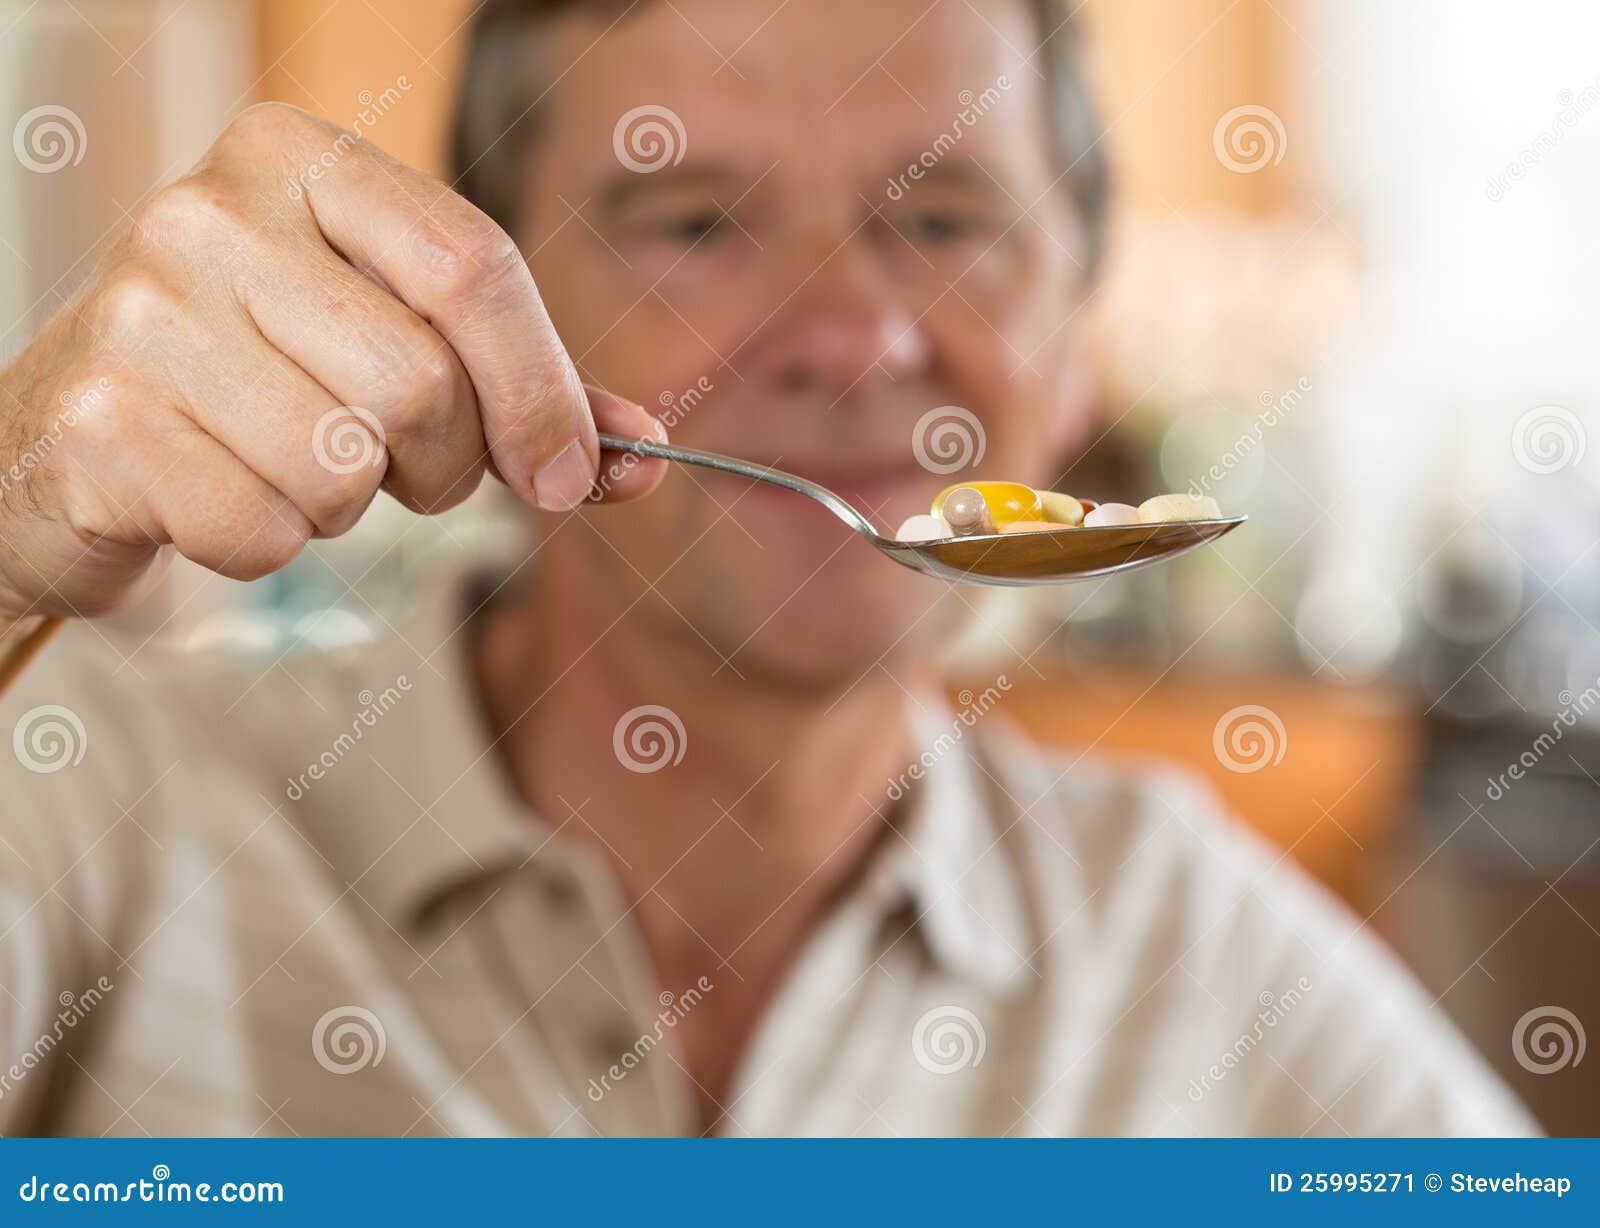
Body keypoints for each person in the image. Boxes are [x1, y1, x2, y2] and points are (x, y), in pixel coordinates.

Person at [0, 0, 1533, 1136]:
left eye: (944, 219)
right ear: (474, 318)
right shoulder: (107, 801)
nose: (852, 337)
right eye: (695, 225)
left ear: (1073, 342)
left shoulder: (1183, 942)